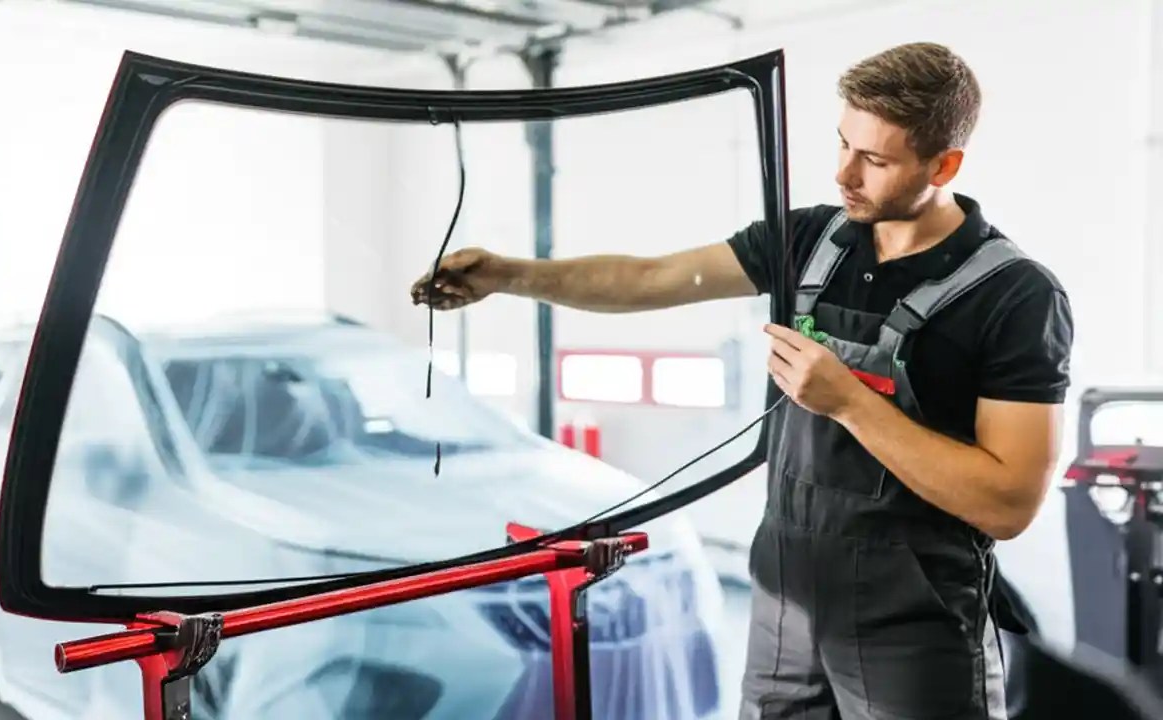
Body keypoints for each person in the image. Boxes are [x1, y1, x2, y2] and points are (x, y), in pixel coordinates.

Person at [410, 41, 1073, 720]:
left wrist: (849, 405)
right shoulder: (809, 241)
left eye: (874, 160)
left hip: (914, 623)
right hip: (785, 605)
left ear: (945, 165)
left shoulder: (1014, 296)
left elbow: (1007, 503)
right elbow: (647, 278)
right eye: (842, 143)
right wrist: (505, 275)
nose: (844, 174)